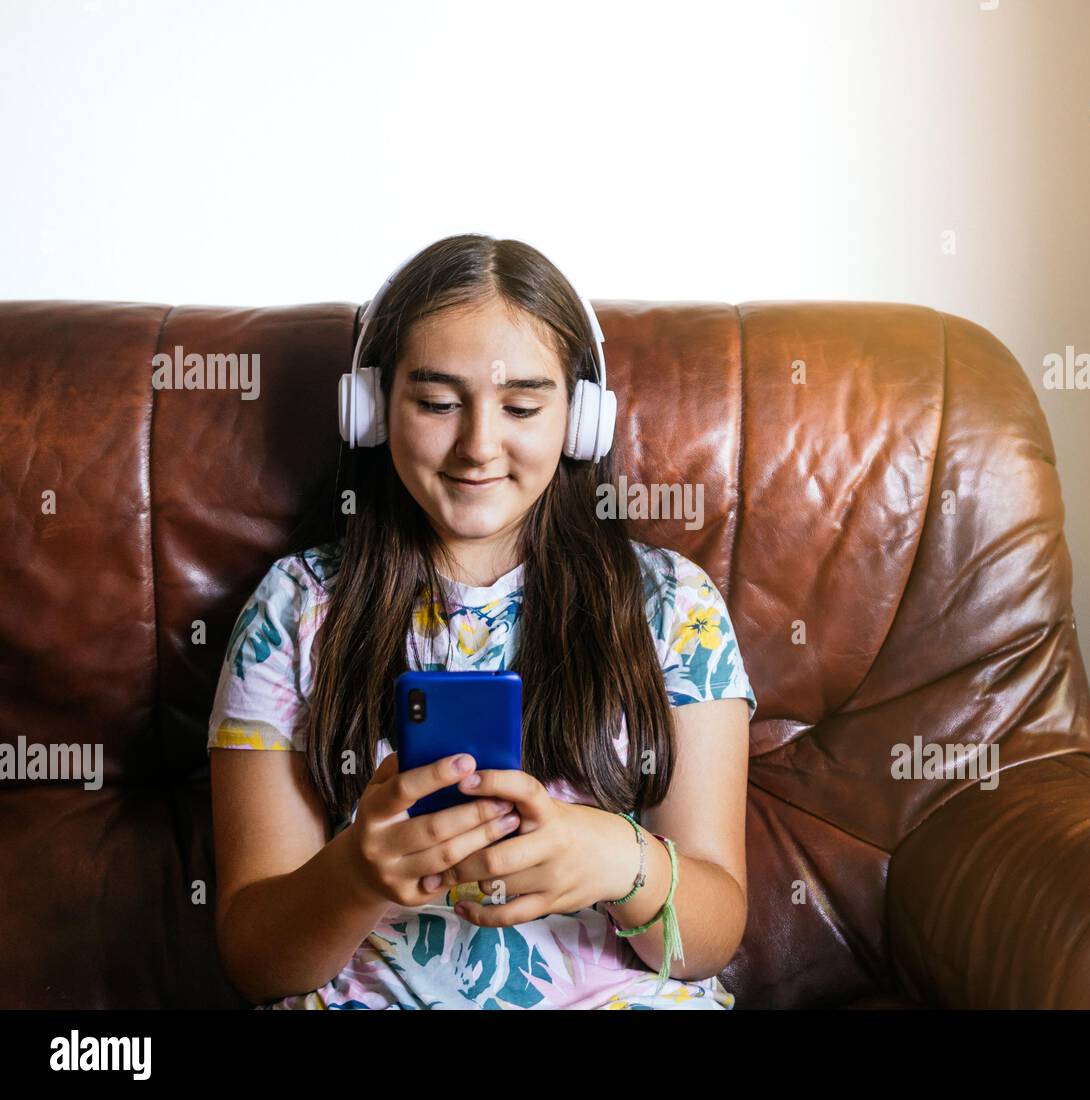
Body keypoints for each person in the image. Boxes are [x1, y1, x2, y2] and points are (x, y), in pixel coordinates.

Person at [206, 233, 757, 1009]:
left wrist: (618, 860)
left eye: (524, 406)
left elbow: (710, 937)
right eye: (436, 403)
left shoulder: (674, 607)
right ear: (369, 410)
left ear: (582, 420)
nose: (478, 446)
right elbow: (258, 961)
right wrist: (356, 874)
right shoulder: (293, 609)